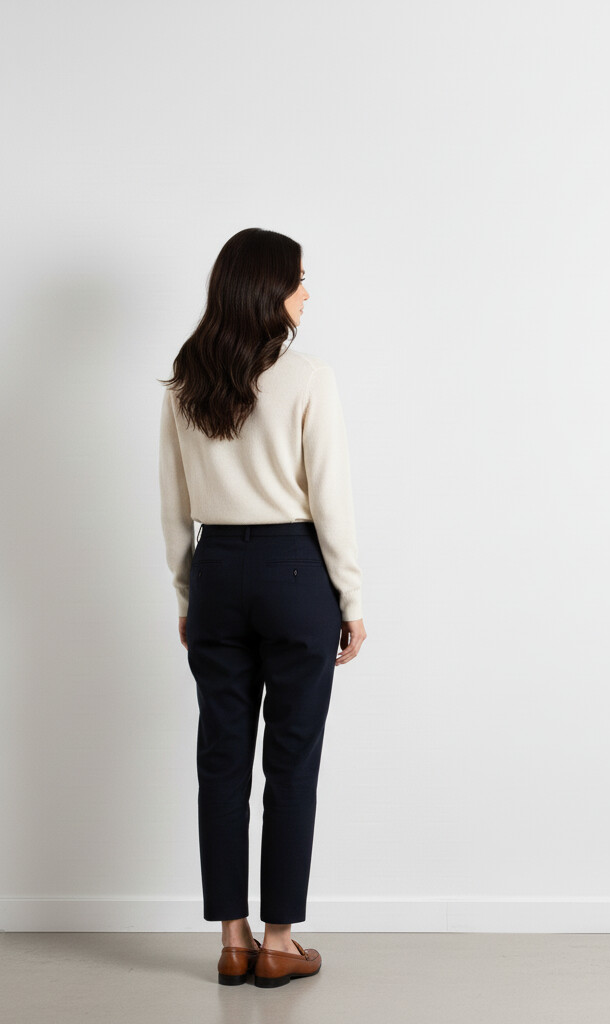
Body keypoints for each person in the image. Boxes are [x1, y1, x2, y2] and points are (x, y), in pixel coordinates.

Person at [158, 227, 367, 987]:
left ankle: (231, 937)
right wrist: (350, 594)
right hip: (293, 569)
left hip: (216, 570)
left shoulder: (189, 378)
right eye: (299, 280)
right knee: (292, 760)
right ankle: (279, 941)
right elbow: (330, 497)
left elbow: (174, 502)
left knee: (221, 760)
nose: (307, 293)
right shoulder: (308, 376)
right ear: (268, 289)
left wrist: (188, 590)